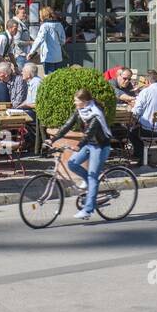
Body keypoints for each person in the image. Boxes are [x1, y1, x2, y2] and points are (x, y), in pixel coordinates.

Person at [48, 87, 113, 222]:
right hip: (90, 144)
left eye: (76, 100)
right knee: (72, 163)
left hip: (100, 147)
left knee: (92, 176)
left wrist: (78, 146)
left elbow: (89, 133)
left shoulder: (95, 114)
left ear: (85, 101)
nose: (74, 103)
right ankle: (90, 184)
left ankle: (87, 210)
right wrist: (53, 139)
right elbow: (67, 125)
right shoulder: (80, 111)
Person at [130, 69, 157, 167]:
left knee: (131, 133)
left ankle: (143, 157)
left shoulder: (145, 92)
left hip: (148, 131)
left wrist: (132, 113)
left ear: (147, 81)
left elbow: (137, 111)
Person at [27, 6, 67, 74]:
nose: (39, 17)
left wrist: (31, 52)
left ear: (43, 15)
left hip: (47, 56)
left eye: (40, 15)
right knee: (57, 76)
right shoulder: (59, 25)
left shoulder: (44, 26)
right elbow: (63, 41)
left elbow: (39, 39)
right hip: (58, 56)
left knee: (49, 77)